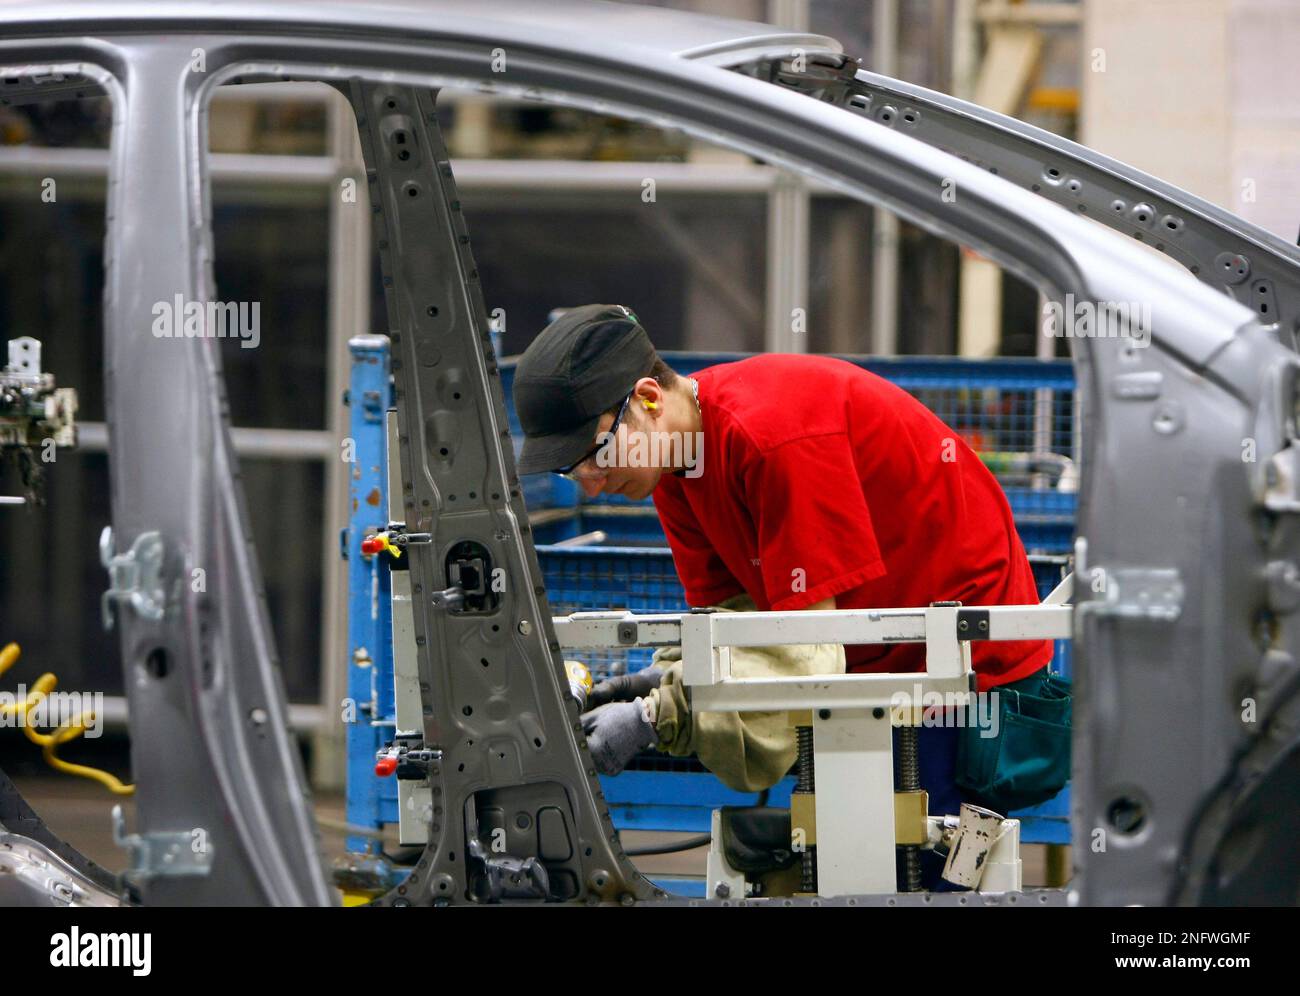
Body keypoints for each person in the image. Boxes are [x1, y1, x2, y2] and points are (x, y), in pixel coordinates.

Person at [512, 303, 1057, 826]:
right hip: (867, 661)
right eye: (571, 469)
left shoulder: (771, 437)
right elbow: (732, 622)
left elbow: (805, 646)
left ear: (649, 399)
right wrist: (653, 682)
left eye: (597, 452)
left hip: (962, 671)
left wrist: (656, 717)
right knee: (840, 852)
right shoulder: (672, 470)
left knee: (911, 862)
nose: (592, 480)